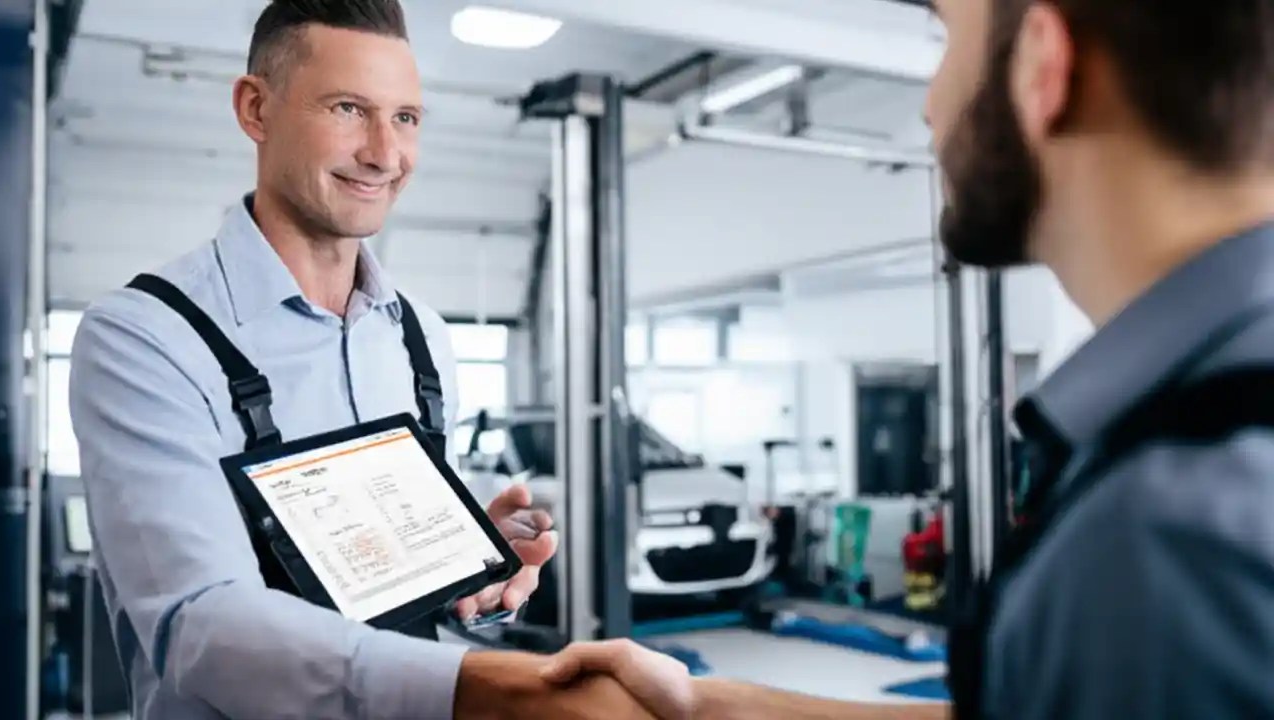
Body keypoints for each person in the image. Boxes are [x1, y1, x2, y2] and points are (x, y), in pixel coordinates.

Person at [542, 0, 1274, 717]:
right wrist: (710, 706)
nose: (928, 107)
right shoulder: (1196, 437)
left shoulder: (1171, 535)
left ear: (1044, 66)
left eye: (942, 37)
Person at [69, 1, 657, 718]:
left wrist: (464, 565)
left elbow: (402, 605)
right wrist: (491, 686)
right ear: (255, 109)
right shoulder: (147, 338)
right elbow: (202, 628)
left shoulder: (423, 339)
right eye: (349, 109)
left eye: (406, 117)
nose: (386, 153)